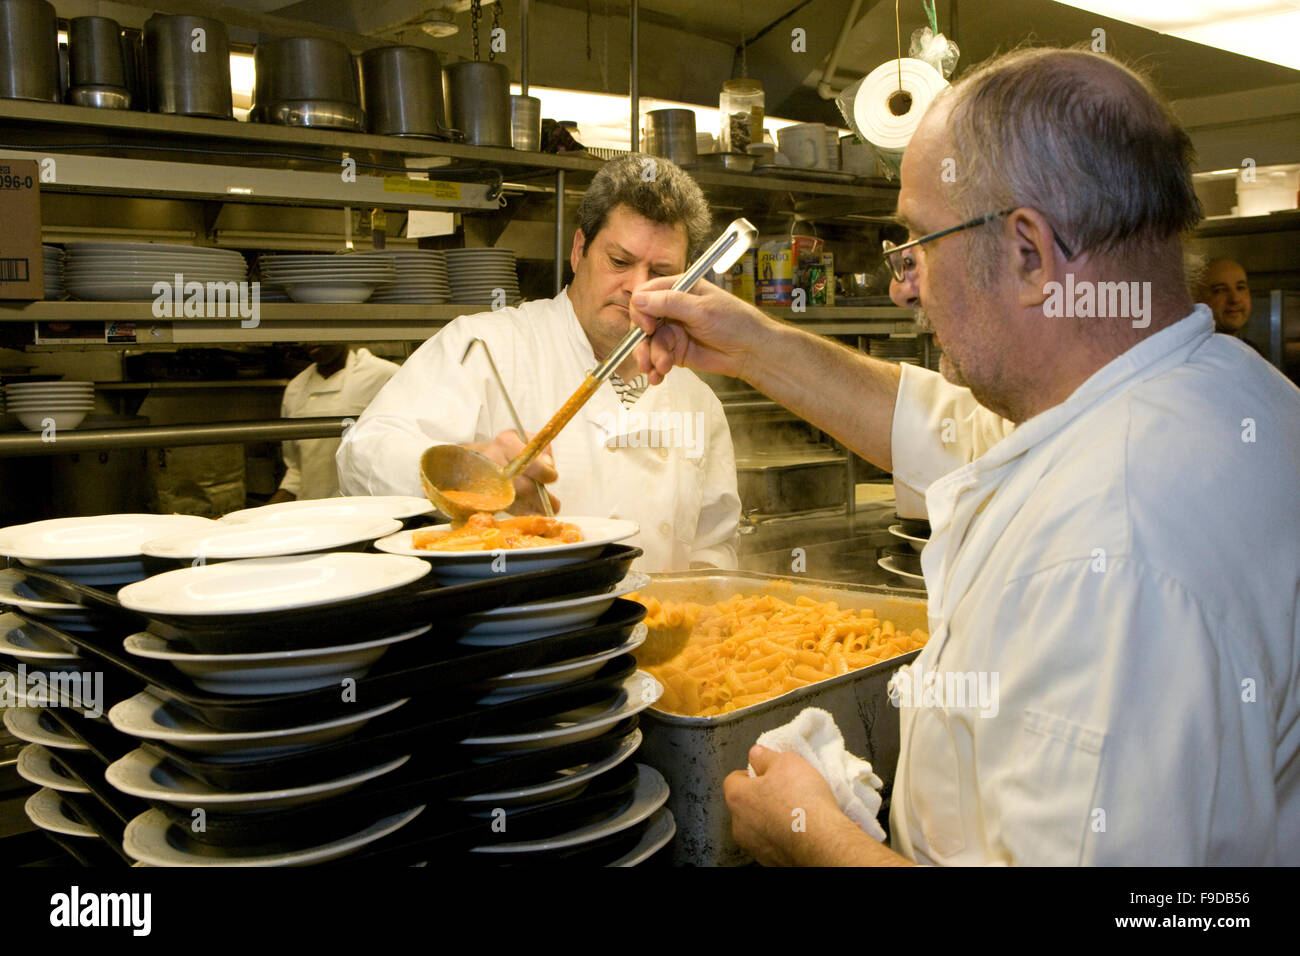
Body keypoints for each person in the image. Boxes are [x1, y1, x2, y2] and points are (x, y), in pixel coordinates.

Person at [629, 48, 1300, 865]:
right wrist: (752, 345)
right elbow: (941, 431)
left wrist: (813, 837)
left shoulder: (1113, 555)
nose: (904, 285)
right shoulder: (1218, 397)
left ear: (1028, 253)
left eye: (918, 242)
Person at [336, 154, 741, 572]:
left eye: (661, 272)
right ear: (579, 251)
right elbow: (361, 455)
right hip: (519, 628)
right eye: (619, 262)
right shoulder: (486, 344)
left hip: (658, 631)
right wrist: (470, 470)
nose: (637, 290)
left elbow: (715, 544)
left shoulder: (697, 398)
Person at [267, 344, 398, 504]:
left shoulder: (383, 375)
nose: (310, 341)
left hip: (367, 509)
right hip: (311, 512)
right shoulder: (295, 389)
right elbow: (297, 471)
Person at [1197, 258, 1252, 334]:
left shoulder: (1248, 345)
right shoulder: (1191, 345)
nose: (1235, 299)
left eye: (1240, 287)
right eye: (1220, 290)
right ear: (1197, 298)